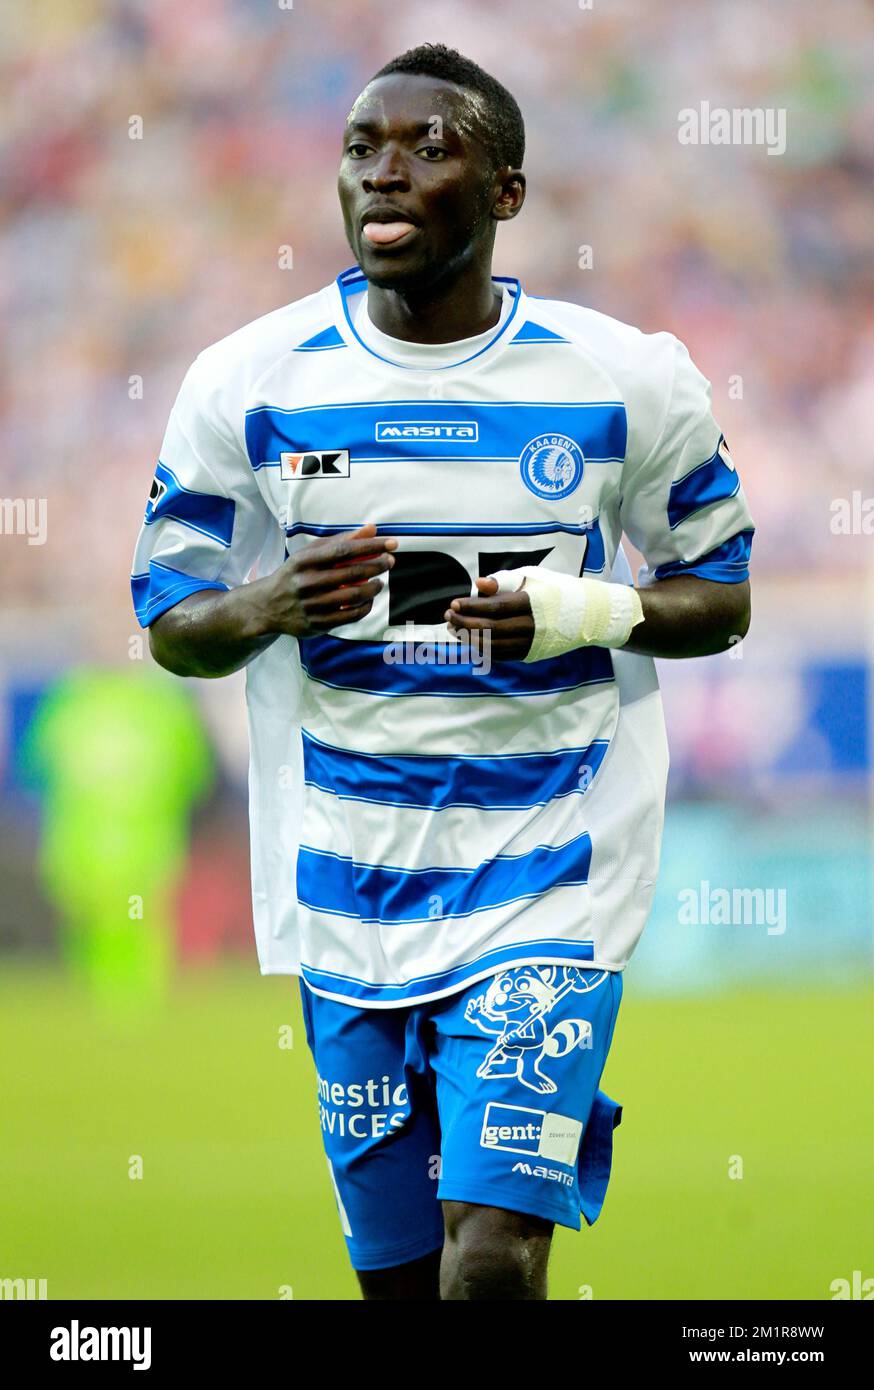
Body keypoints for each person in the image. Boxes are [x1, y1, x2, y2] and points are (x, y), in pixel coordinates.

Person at [131, 43, 753, 1300]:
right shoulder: (246, 382)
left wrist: (585, 609)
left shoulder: (623, 379)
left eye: (428, 147)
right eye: (362, 149)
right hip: (343, 889)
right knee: (403, 1282)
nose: (385, 175)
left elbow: (721, 597)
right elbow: (169, 622)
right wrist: (269, 601)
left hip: (549, 878)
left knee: (492, 1262)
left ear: (505, 193)